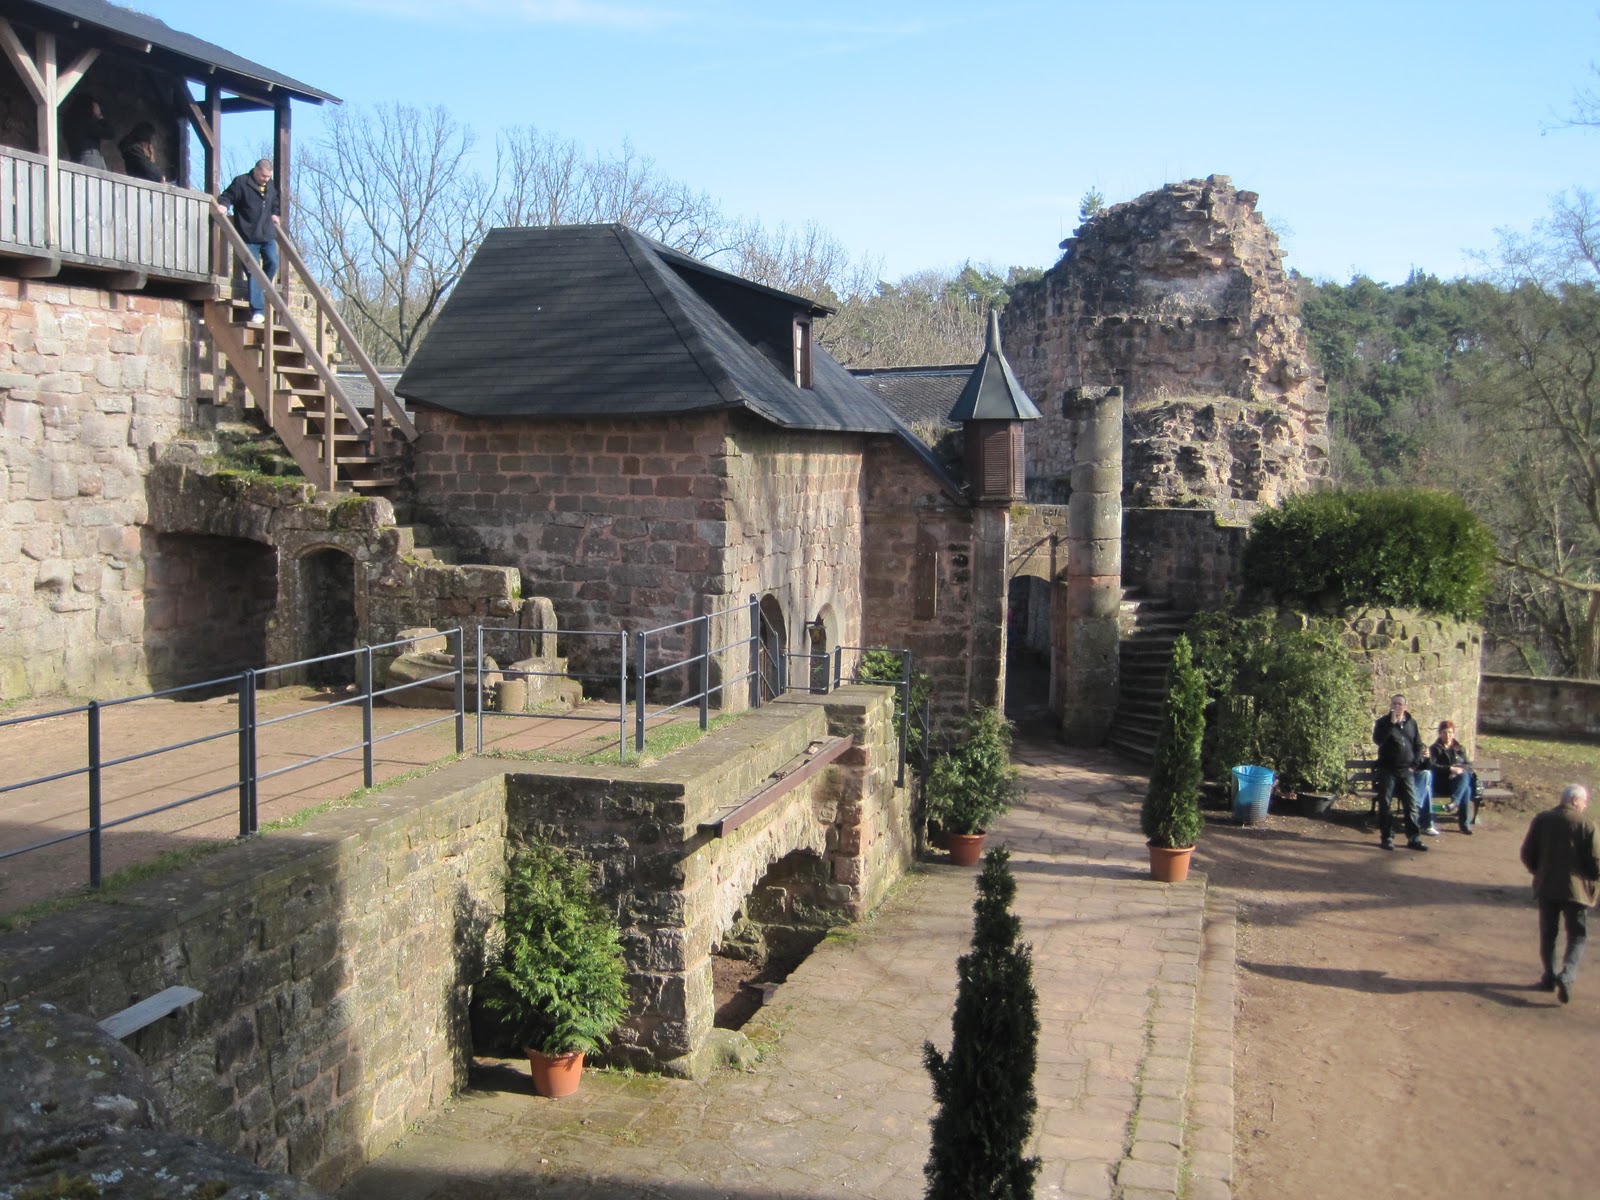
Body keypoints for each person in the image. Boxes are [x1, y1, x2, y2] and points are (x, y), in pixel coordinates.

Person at [1519, 784, 1600, 1004]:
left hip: (1546, 887)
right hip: (1577, 891)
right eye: (1584, 801)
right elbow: (1596, 860)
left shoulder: (1542, 819)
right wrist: (1594, 879)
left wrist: (1539, 871)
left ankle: (1549, 976)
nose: (1585, 805)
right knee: (1578, 935)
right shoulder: (1587, 824)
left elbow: (1527, 853)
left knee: (1549, 933)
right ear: (1575, 800)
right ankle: (1568, 974)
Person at [216, 159, 281, 327]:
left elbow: (275, 201)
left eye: (268, 177)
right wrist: (223, 206)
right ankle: (258, 310)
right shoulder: (242, 182)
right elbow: (227, 196)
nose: (266, 179)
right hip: (247, 235)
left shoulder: (270, 185)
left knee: (273, 262)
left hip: (266, 234)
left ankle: (259, 289)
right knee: (254, 270)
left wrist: (275, 214)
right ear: (256, 171)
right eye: (263, 176)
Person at [1373, 693, 1428, 851]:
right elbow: (1378, 741)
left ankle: (1414, 837)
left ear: (1405, 706)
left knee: (1411, 805)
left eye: (1400, 704)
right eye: (1394, 704)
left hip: (1406, 771)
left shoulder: (1412, 723)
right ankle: (1387, 837)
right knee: (1386, 804)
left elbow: (1418, 745)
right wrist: (1391, 725)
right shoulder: (1383, 723)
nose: (1396, 707)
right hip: (1388, 770)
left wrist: (1414, 765)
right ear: (1390, 705)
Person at [1429, 720, 1479, 834]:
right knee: (1465, 787)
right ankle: (1464, 824)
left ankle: (1455, 803)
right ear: (1439, 733)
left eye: (1450, 732)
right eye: (1445, 732)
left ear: (1454, 733)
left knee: (1465, 781)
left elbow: (1468, 766)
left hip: (1457, 784)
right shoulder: (1435, 749)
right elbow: (1432, 766)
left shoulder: (1459, 748)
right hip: (1442, 783)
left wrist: (1458, 771)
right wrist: (1450, 769)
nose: (1448, 735)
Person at [63, 93, 112, 168]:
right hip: (90, 159)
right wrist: (100, 116)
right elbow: (110, 133)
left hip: (75, 159)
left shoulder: (70, 123)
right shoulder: (86, 123)